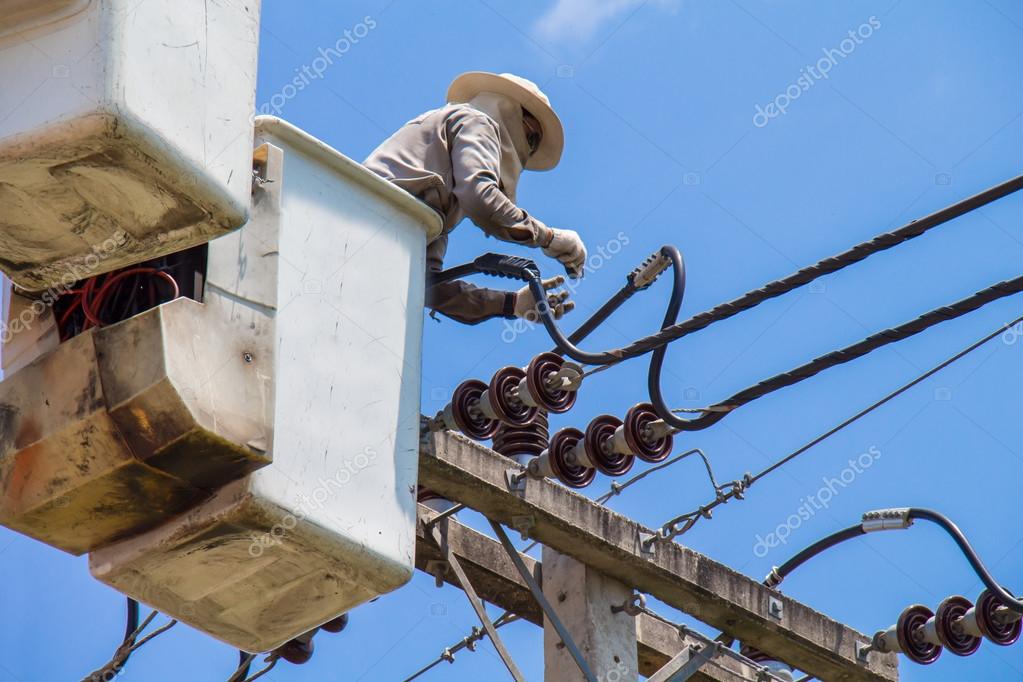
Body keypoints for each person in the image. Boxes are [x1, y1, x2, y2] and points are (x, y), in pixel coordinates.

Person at [364, 71, 586, 325]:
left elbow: (425, 284)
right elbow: (480, 195)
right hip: (365, 217)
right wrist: (548, 237)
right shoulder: (477, 122)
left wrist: (512, 304)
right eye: (531, 137)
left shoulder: (433, 202)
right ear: (512, 111)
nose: (529, 149)